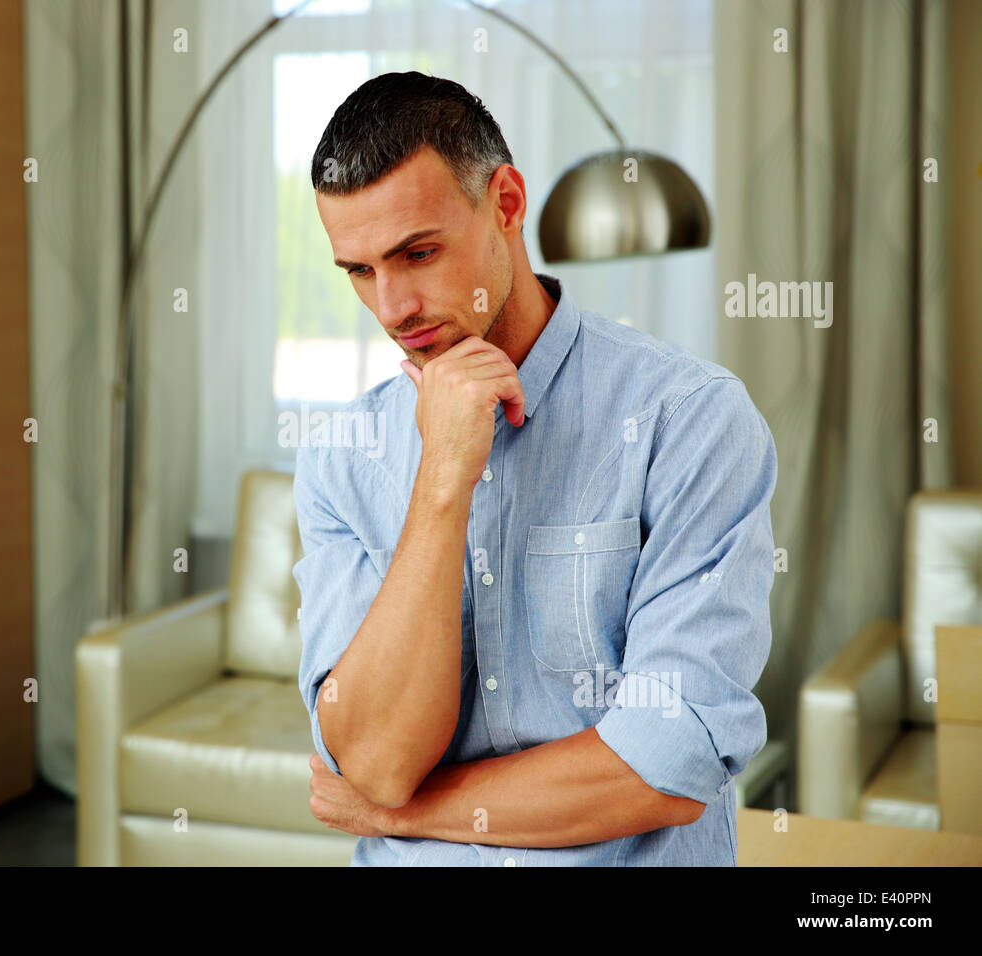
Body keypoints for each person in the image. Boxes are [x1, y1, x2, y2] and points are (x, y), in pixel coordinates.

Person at [293, 71, 778, 866]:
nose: (392, 309)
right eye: (359, 271)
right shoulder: (341, 458)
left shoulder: (689, 420)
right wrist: (443, 480)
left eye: (418, 253)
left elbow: (665, 766)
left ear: (507, 204)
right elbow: (376, 764)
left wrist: (407, 817)